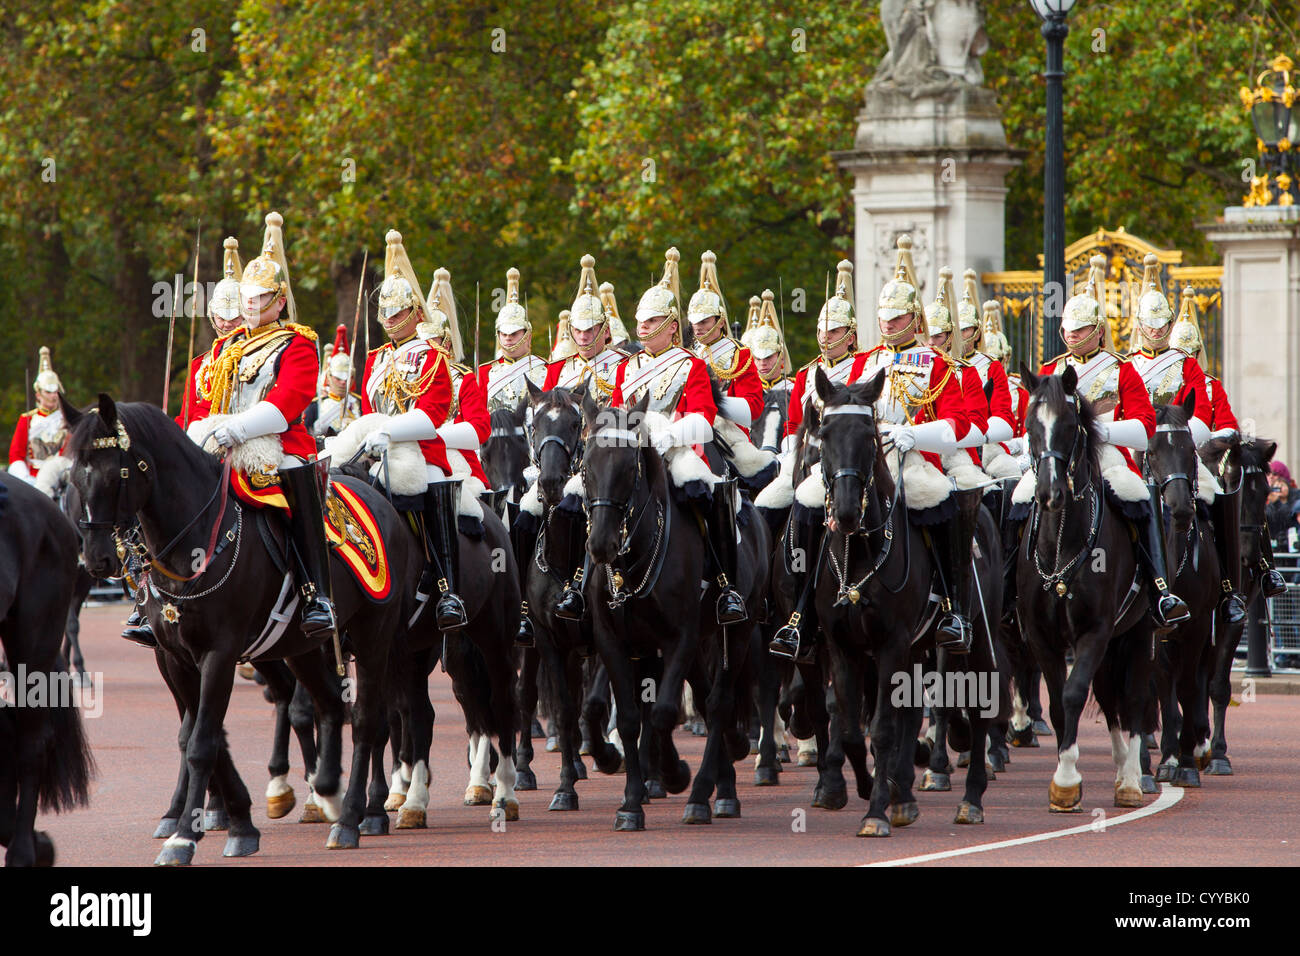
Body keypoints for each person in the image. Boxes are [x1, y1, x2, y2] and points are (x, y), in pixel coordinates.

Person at [193, 211, 336, 640]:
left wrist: (237, 430)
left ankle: (317, 594)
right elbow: (206, 401)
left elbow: (287, 403)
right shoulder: (227, 348)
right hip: (220, 442)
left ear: (279, 300)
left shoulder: (297, 342)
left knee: (296, 480)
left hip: (279, 444)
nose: (252, 306)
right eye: (247, 299)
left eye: (261, 299)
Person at [1038, 253, 1188, 630]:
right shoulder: (1048, 370)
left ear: (1098, 330)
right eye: (1069, 329)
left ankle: (1158, 588)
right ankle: (1012, 588)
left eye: (1081, 328)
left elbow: (1143, 426)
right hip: (1057, 458)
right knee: (1020, 499)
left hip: (1108, 457)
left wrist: (1099, 431)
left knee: (1138, 496)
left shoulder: (1121, 369)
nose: (1072, 335)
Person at [606, 246, 748, 624]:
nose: (643, 326)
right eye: (640, 320)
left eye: (652, 321)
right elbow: (618, 411)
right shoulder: (627, 367)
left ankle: (724, 583)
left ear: (672, 326)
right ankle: (582, 583)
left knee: (704, 488)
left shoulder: (691, 365)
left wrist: (669, 435)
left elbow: (705, 417)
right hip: (634, 446)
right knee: (589, 491)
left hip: (677, 446)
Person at [357, 230, 470, 631]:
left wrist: (390, 431)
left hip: (422, 452)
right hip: (376, 449)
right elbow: (367, 407)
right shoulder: (375, 360)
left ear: (416, 314)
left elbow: (432, 415)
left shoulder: (433, 357)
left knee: (434, 483)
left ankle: (447, 588)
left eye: (398, 313)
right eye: (385, 314)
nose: (390, 322)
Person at [1130, 257, 1246, 625]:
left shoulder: (1186, 364)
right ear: (1139, 325)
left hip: (1180, 453)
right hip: (1137, 453)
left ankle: (1229, 588)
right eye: (1149, 324)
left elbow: (1202, 414)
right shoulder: (1126, 364)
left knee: (1217, 495)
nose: (1155, 331)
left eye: (1161, 324)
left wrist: (1181, 436)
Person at [1167, 283, 1286, 599]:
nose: (1183, 359)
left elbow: (1228, 424)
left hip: (1204, 458)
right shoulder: (1158, 380)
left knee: (1243, 491)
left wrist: (1210, 442)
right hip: (1166, 460)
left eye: (1189, 354)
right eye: (1178, 353)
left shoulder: (1210, 386)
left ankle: (1260, 568)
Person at [783, 259, 862, 450]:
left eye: (833, 332)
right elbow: (793, 424)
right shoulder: (805, 374)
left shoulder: (862, 366)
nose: (825, 337)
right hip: (809, 450)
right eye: (821, 331)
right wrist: (789, 447)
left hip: (847, 448)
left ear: (850, 338)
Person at [687, 250, 764, 436]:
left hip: (729, 432)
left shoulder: (739, 354)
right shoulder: (685, 353)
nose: (697, 328)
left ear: (720, 321)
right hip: (689, 428)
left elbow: (753, 406)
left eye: (704, 322)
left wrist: (713, 402)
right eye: (695, 322)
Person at [178, 236, 244, 430]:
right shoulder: (199, 365)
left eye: (233, 318)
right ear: (212, 315)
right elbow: (186, 416)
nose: (226, 325)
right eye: (221, 318)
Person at [541, 255, 628, 400]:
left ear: (606, 331)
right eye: (578, 330)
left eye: (590, 330)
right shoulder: (556, 368)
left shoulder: (624, 364)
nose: (583, 337)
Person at [477, 267, 547, 413]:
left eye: (514, 333)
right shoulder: (484, 372)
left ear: (527, 335)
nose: (508, 337)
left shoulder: (546, 369)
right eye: (504, 334)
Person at [8, 347, 67, 483]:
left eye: (55, 391)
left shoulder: (66, 419)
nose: (53, 396)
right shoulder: (27, 419)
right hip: (34, 477)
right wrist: (26, 479)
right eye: (48, 392)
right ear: (38, 394)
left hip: (61, 476)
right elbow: (16, 455)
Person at [305, 324, 362, 439]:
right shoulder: (315, 405)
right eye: (338, 378)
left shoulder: (359, 403)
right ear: (329, 376)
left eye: (347, 378)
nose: (343, 383)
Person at [742, 289, 793, 395]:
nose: (763, 363)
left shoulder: (794, 388)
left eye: (768, 357)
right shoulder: (746, 390)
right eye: (758, 359)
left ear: (781, 359)